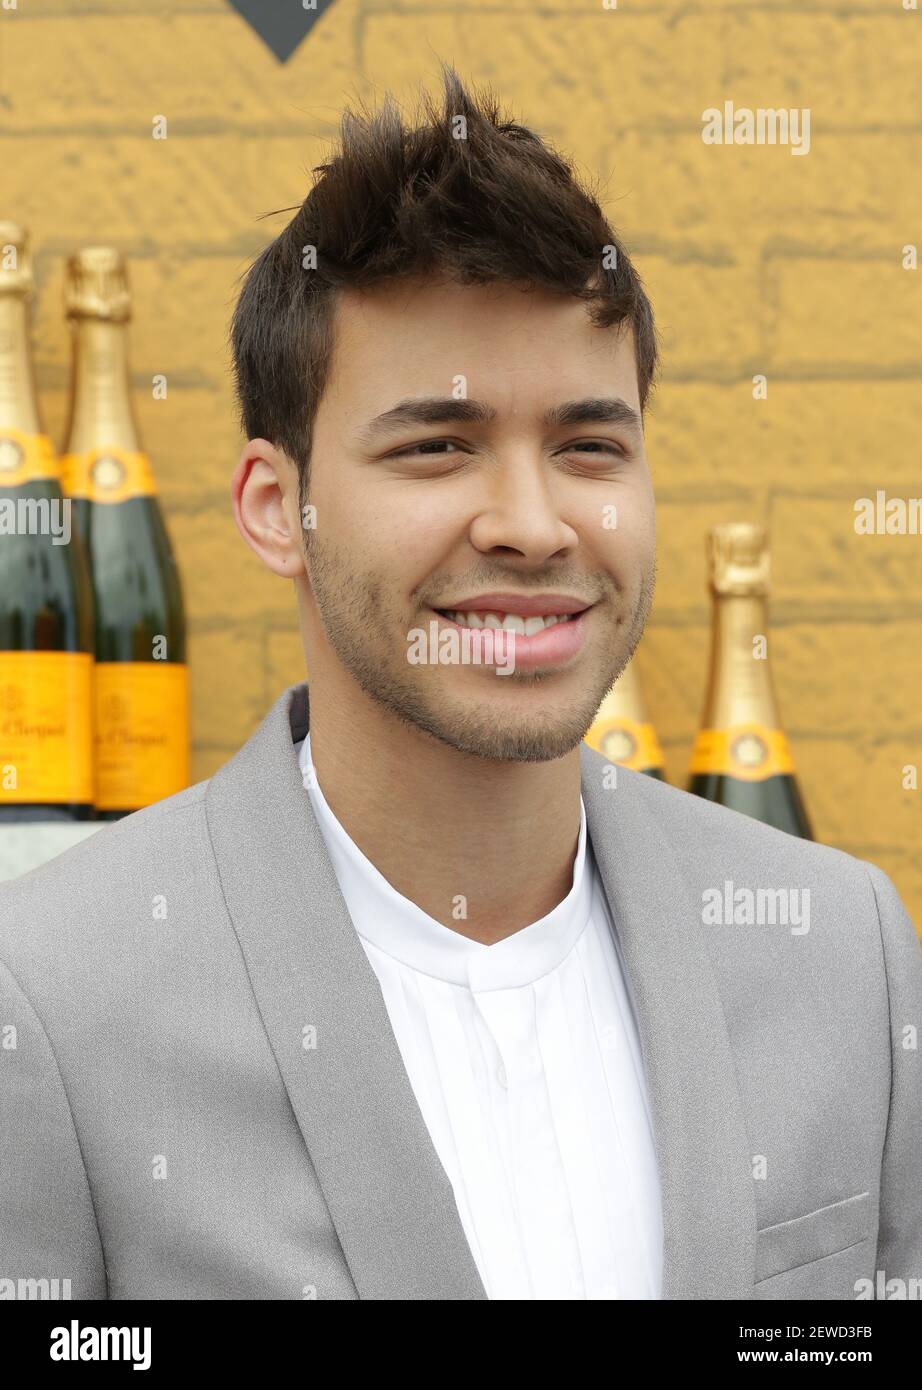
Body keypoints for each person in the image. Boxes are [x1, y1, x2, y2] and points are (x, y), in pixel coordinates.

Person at [1, 67, 919, 1302]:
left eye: (589, 444)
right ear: (278, 509)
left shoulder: (839, 948)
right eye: (437, 445)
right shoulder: (51, 993)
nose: (534, 526)